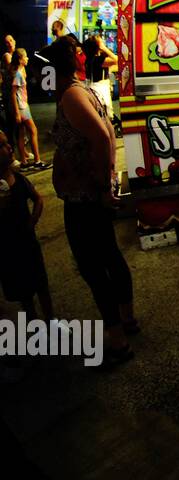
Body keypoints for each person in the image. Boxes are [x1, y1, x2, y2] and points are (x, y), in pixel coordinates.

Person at [47, 36, 135, 365]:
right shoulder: (83, 90)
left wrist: (102, 184)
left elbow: (101, 135)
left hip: (84, 196)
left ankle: (118, 341)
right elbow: (109, 132)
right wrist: (109, 176)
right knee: (110, 255)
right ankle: (127, 320)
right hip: (90, 190)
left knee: (94, 267)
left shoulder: (72, 94)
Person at [0, 129, 53, 322]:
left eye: (7, 143)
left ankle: (51, 321)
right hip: (7, 247)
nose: (9, 147)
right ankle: (34, 324)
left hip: (28, 241)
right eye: (2, 145)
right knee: (24, 292)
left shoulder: (19, 179)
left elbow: (38, 199)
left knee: (42, 284)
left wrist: (31, 222)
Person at [8, 49, 45, 170]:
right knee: (33, 131)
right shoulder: (18, 74)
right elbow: (13, 94)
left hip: (23, 105)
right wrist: (17, 113)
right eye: (25, 57)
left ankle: (24, 163)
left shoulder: (21, 71)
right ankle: (37, 161)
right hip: (22, 107)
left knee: (21, 133)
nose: (27, 58)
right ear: (20, 59)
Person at [84, 34, 119, 124]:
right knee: (106, 113)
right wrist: (104, 48)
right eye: (101, 42)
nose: (103, 42)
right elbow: (116, 60)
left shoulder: (90, 59)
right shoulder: (98, 60)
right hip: (100, 89)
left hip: (93, 87)